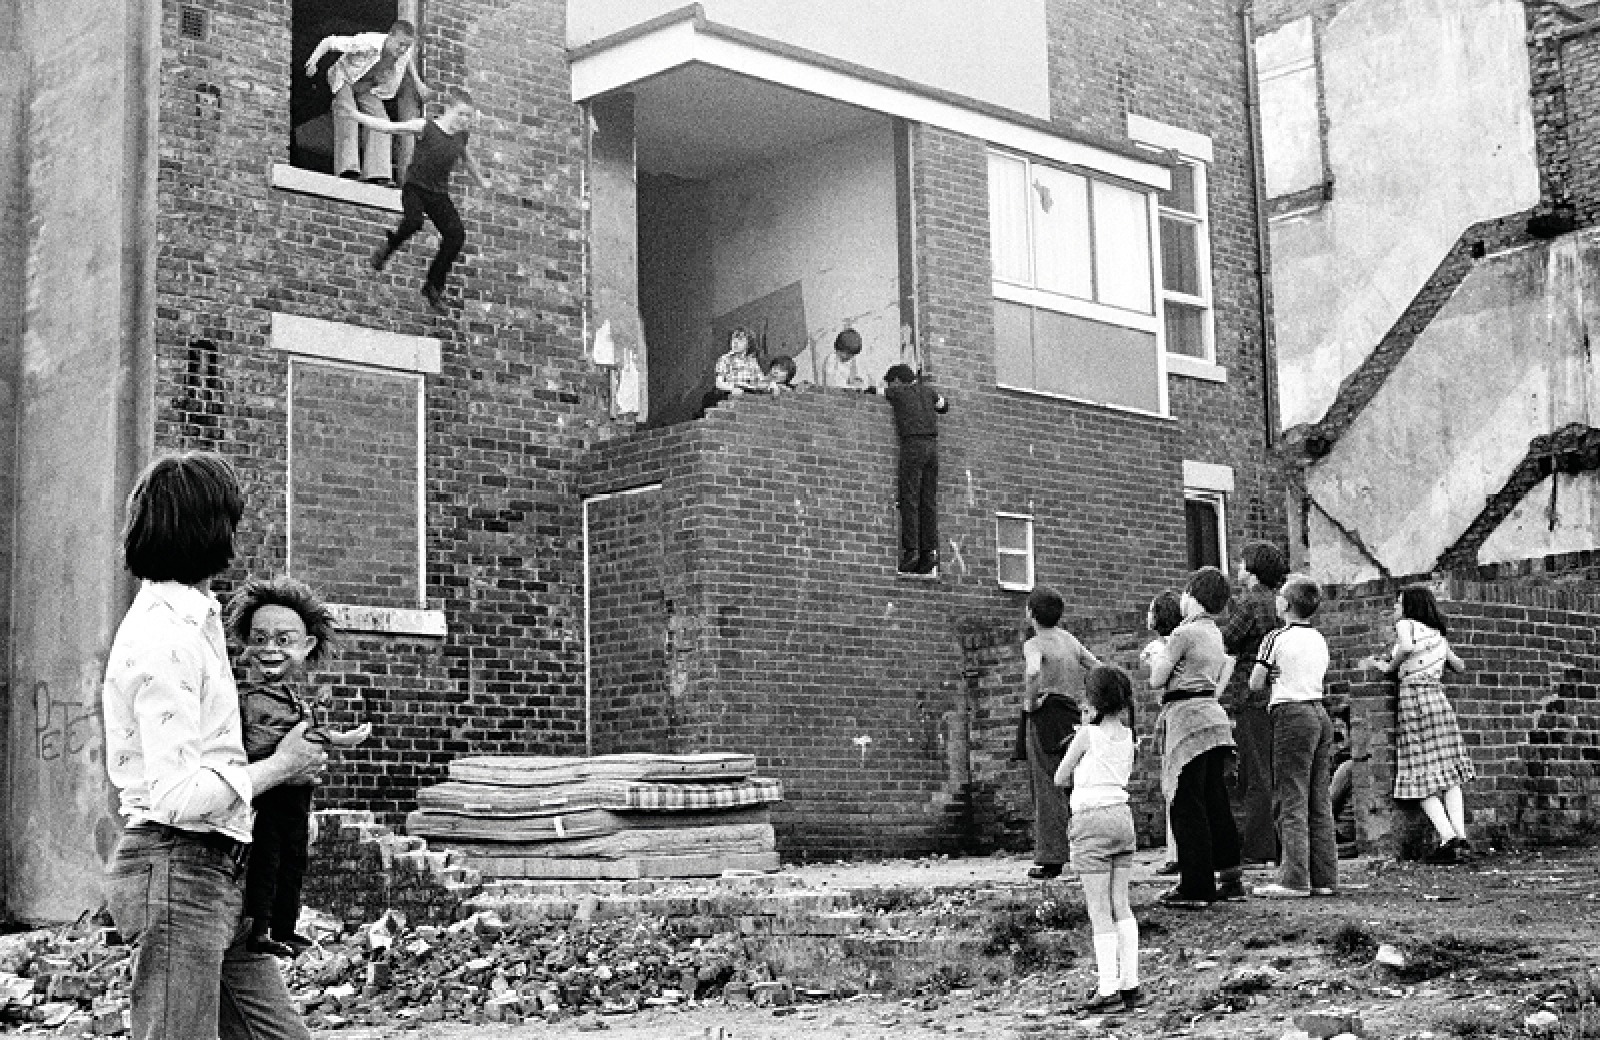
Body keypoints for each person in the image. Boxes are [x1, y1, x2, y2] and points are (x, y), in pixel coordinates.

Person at [100, 451, 328, 1040]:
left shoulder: (195, 622)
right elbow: (176, 794)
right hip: (176, 870)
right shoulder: (164, 639)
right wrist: (279, 769)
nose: (236, 531)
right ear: (212, 530)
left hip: (217, 869)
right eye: (232, 518)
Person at [226, 577, 371, 957]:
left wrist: (344, 738)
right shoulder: (245, 702)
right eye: (260, 639)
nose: (270, 649)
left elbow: (312, 734)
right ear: (246, 647)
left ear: (306, 646)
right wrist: (277, 761)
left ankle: (284, 927)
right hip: (268, 795)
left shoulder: (295, 701)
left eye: (283, 640)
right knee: (264, 863)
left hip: (297, 799)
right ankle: (258, 929)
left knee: (294, 862)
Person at [1148, 566, 1246, 908]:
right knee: (1215, 800)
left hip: (1187, 719)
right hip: (1213, 717)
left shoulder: (1183, 635)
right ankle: (1231, 876)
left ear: (1192, 596)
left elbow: (1156, 679)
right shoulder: (1214, 633)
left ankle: (1196, 885)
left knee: (1187, 803)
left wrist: (1160, 658)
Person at [1358, 584, 1473, 864]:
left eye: (1399, 603)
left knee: (1418, 774)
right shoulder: (1438, 635)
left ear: (1410, 607)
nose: (1396, 609)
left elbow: (1407, 647)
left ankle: (1447, 836)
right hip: (1438, 699)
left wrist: (1387, 667)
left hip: (1415, 701)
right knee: (1450, 774)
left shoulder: (1406, 625)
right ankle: (1461, 835)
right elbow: (1459, 666)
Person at [350, 91, 490, 315]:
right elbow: (390, 128)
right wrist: (356, 116)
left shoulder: (461, 136)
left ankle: (433, 285)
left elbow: (467, 159)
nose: (465, 120)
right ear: (449, 109)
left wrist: (481, 180)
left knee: (456, 235)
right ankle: (387, 249)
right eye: (461, 114)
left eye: (468, 116)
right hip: (415, 188)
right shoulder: (426, 127)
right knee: (414, 221)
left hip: (438, 194)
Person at [1055, 665, 1142, 1013]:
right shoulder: (1128, 736)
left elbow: (1061, 777)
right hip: (1122, 818)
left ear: (1092, 700)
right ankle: (1131, 983)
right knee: (1121, 903)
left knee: (1098, 908)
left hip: (1091, 821)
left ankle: (1107, 988)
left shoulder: (1087, 735)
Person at [1248, 574, 1337, 898]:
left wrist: (1268, 672)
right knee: (1318, 798)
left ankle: (1294, 878)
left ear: (1285, 604)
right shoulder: (1318, 638)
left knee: (1290, 797)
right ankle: (1324, 877)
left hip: (1291, 715)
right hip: (1318, 712)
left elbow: (1255, 683)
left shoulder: (1276, 637)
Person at [1020, 586, 1100, 880]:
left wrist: (1030, 701)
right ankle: (1088, 848)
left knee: (1046, 784)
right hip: (1071, 713)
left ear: (1031, 613)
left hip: (1045, 716)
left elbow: (1031, 672)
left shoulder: (1034, 643)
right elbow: (1097, 666)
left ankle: (1051, 856)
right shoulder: (1069, 640)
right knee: (1075, 782)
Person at [1221, 541, 1287, 865]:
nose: (1238, 570)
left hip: (1252, 696)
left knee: (1256, 774)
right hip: (1282, 694)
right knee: (1279, 773)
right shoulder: (1282, 604)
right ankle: (1280, 844)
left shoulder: (1248, 605)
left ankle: (1259, 849)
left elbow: (1225, 643)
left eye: (1242, 564)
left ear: (1253, 569)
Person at [304, 20, 430, 185]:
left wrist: (418, 82)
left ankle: (378, 174)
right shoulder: (367, 42)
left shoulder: (402, 53)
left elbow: (407, 60)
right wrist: (313, 61)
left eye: (407, 46)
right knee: (348, 115)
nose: (403, 50)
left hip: (367, 86)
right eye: (400, 44)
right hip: (345, 77)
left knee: (382, 122)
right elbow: (329, 42)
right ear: (390, 36)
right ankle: (348, 169)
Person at [883, 364, 948, 574]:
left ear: (897, 380)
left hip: (912, 446)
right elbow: (944, 406)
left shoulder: (897, 392)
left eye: (891, 381)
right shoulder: (929, 392)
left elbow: (876, 392)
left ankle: (911, 552)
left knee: (909, 499)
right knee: (928, 502)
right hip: (932, 449)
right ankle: (929, 553)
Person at [1139, 590, 1183, 877]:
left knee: (1172, 784)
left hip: (1172, 716)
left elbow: (1156, 676)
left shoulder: (1158, 649)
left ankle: (1175, 853)